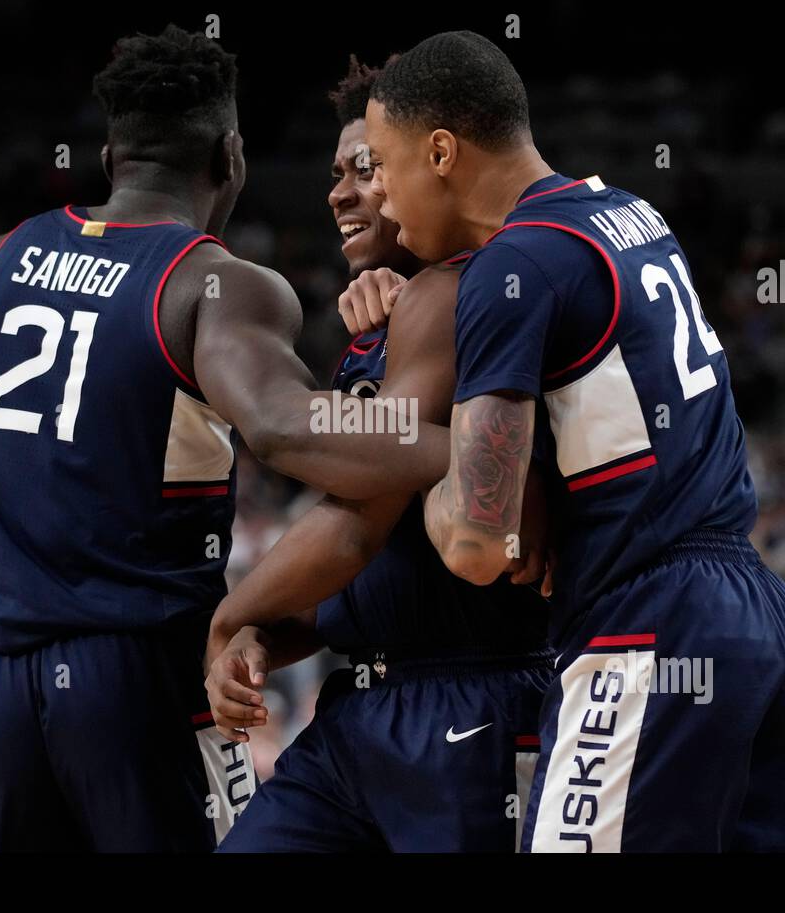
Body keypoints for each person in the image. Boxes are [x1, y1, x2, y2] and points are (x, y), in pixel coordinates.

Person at [0, 27, 448, 852]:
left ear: (112, 157)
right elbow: (285, 429)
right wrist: (476, 448)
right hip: (142, 680)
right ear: (230, 158)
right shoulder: (215, 284)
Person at [366, 30, 785, 851]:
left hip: (650, 627)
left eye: (382, 165)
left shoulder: (515, 267)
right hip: (763, 617)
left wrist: (437, 478)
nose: (383, 201)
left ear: (439, 152)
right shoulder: (628, 214)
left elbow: (477, 542)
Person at [206, 58, 551, 852]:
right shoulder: (376, 329)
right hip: (362, 702)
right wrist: (269, 636)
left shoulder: (475, 292)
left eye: (369, 167)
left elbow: (358, 520)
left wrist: (237, 614)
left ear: (426, 164)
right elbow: (363, 562)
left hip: (480, 697)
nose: (346, 192)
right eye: (337, 173)